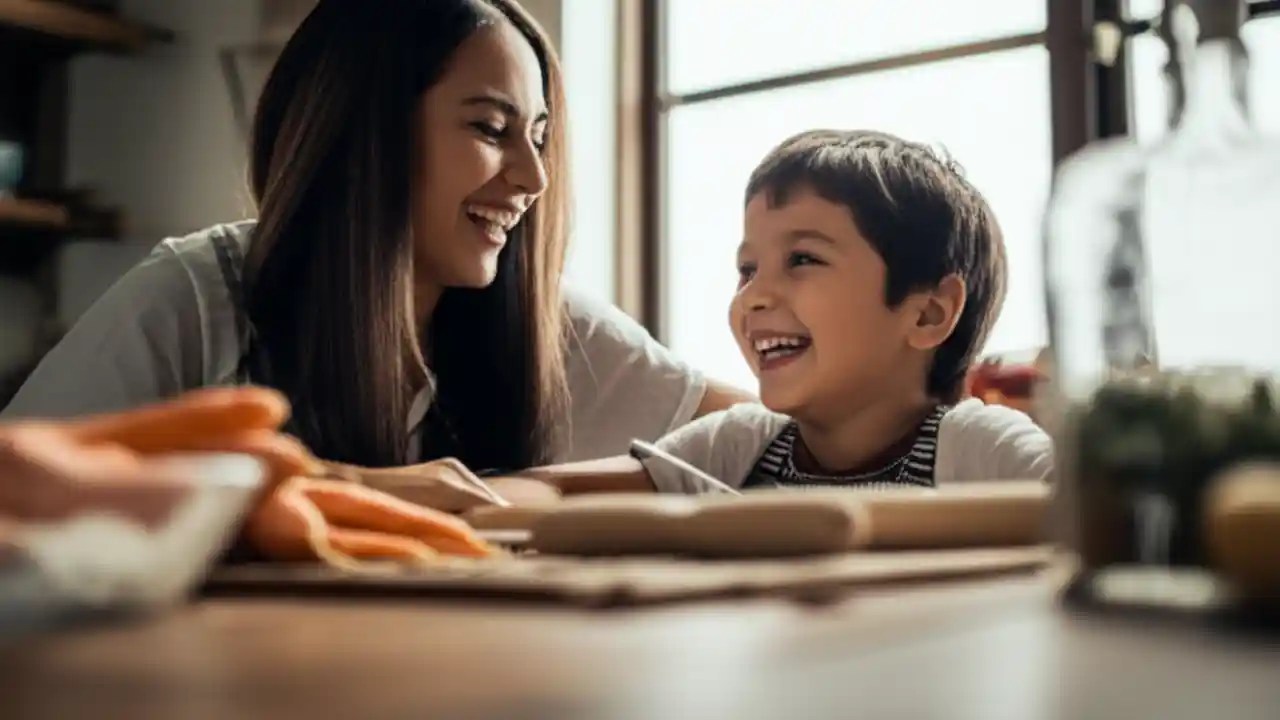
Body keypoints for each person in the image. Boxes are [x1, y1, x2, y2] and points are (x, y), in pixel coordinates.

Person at [1, 0, 746, 504]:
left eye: (541, 137)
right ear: (368, 133)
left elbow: (768, 439)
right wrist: (360, 491)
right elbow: (19, 492)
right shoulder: (195, 298)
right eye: (491, 129)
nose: (534, 177)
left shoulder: (550, 328)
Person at [506, 130, 1052, 494]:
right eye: (747, 271)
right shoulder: (741, 443)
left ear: (929, 315)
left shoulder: (978, 448)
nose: (754, 296)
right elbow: (549, 494)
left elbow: (1113, 512)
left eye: (802, 259)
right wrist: (430, 488)